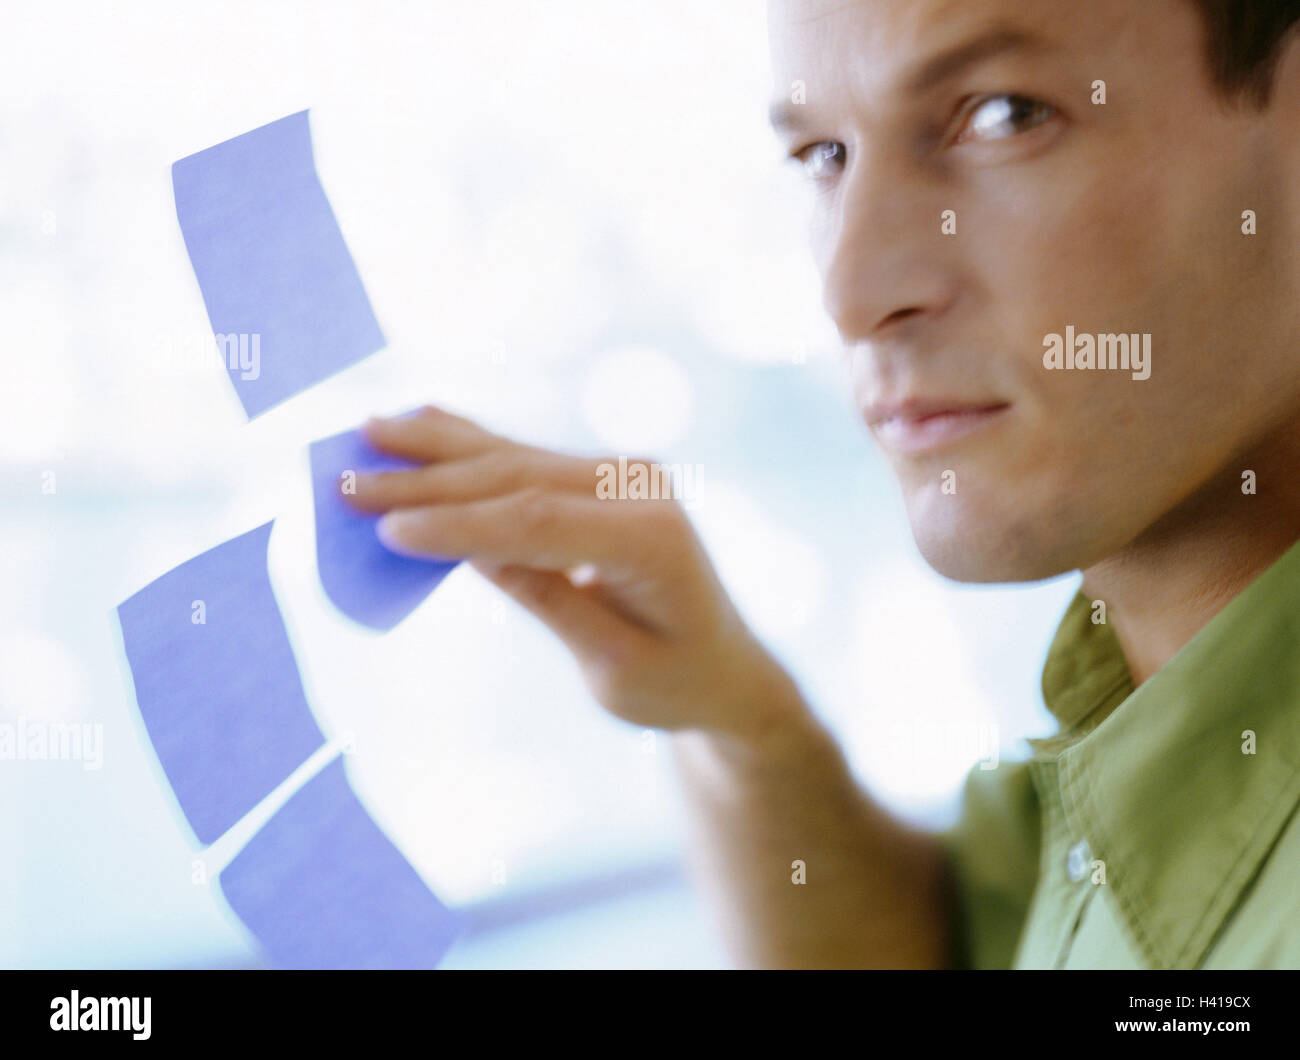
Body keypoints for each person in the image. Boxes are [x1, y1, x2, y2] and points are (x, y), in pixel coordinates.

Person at [343, 0, 1300, 968]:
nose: (848, 292)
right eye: (822, 158)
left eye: (1005, 115)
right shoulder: (1143, 704)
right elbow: (957, 947)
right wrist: (731, 712)